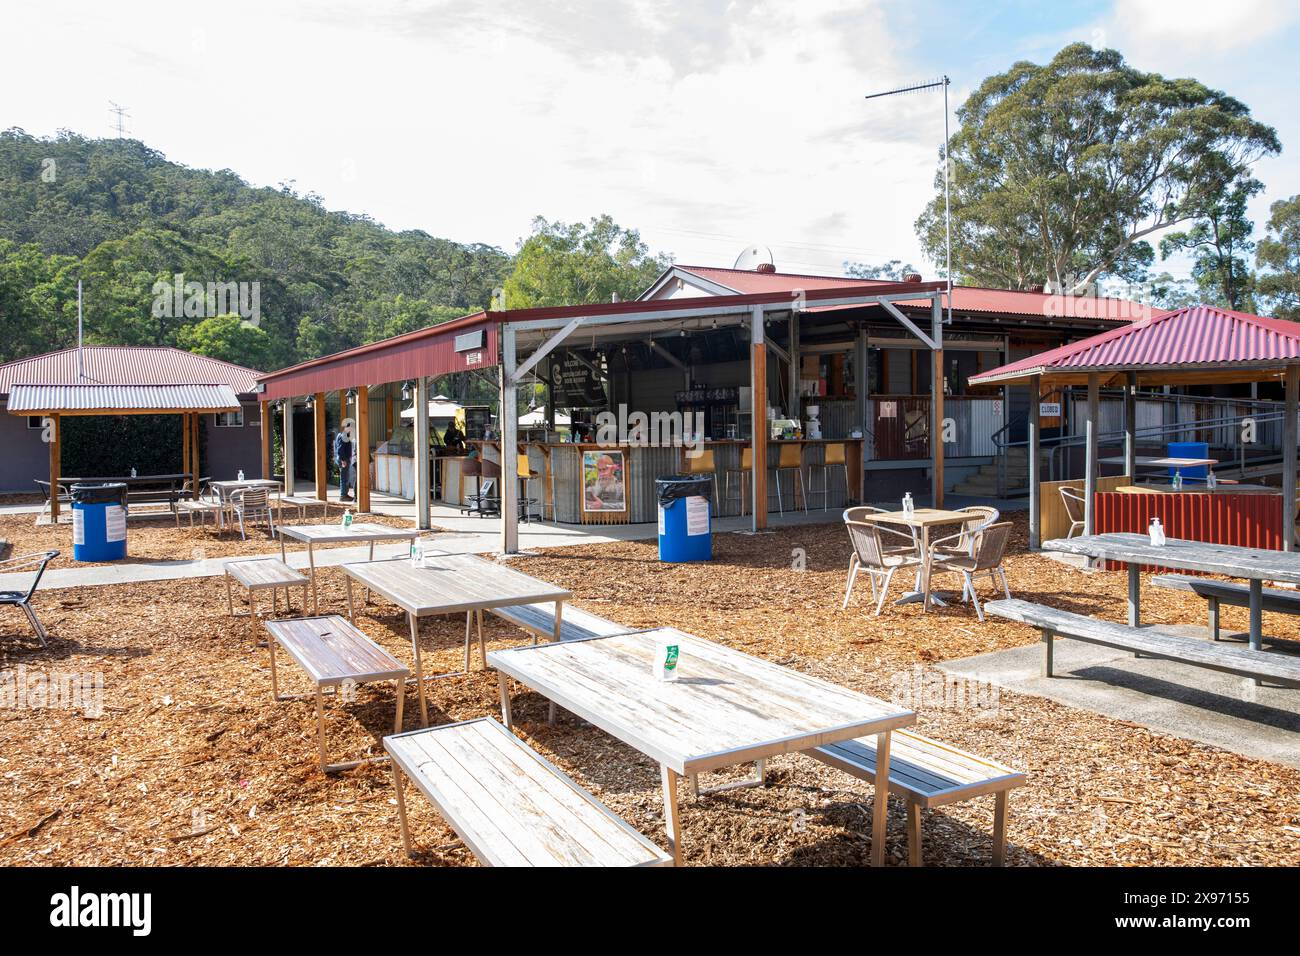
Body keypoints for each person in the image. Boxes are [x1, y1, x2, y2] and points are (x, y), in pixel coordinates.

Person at [334, 418, 358, 502]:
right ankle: (343, 495)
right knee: (344, 478)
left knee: (344, 477)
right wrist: (343, 460)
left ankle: (344, 494)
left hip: (342, 459)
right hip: (343, 459)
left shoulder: (341, 434)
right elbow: (340, 449)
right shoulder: (344, 435)